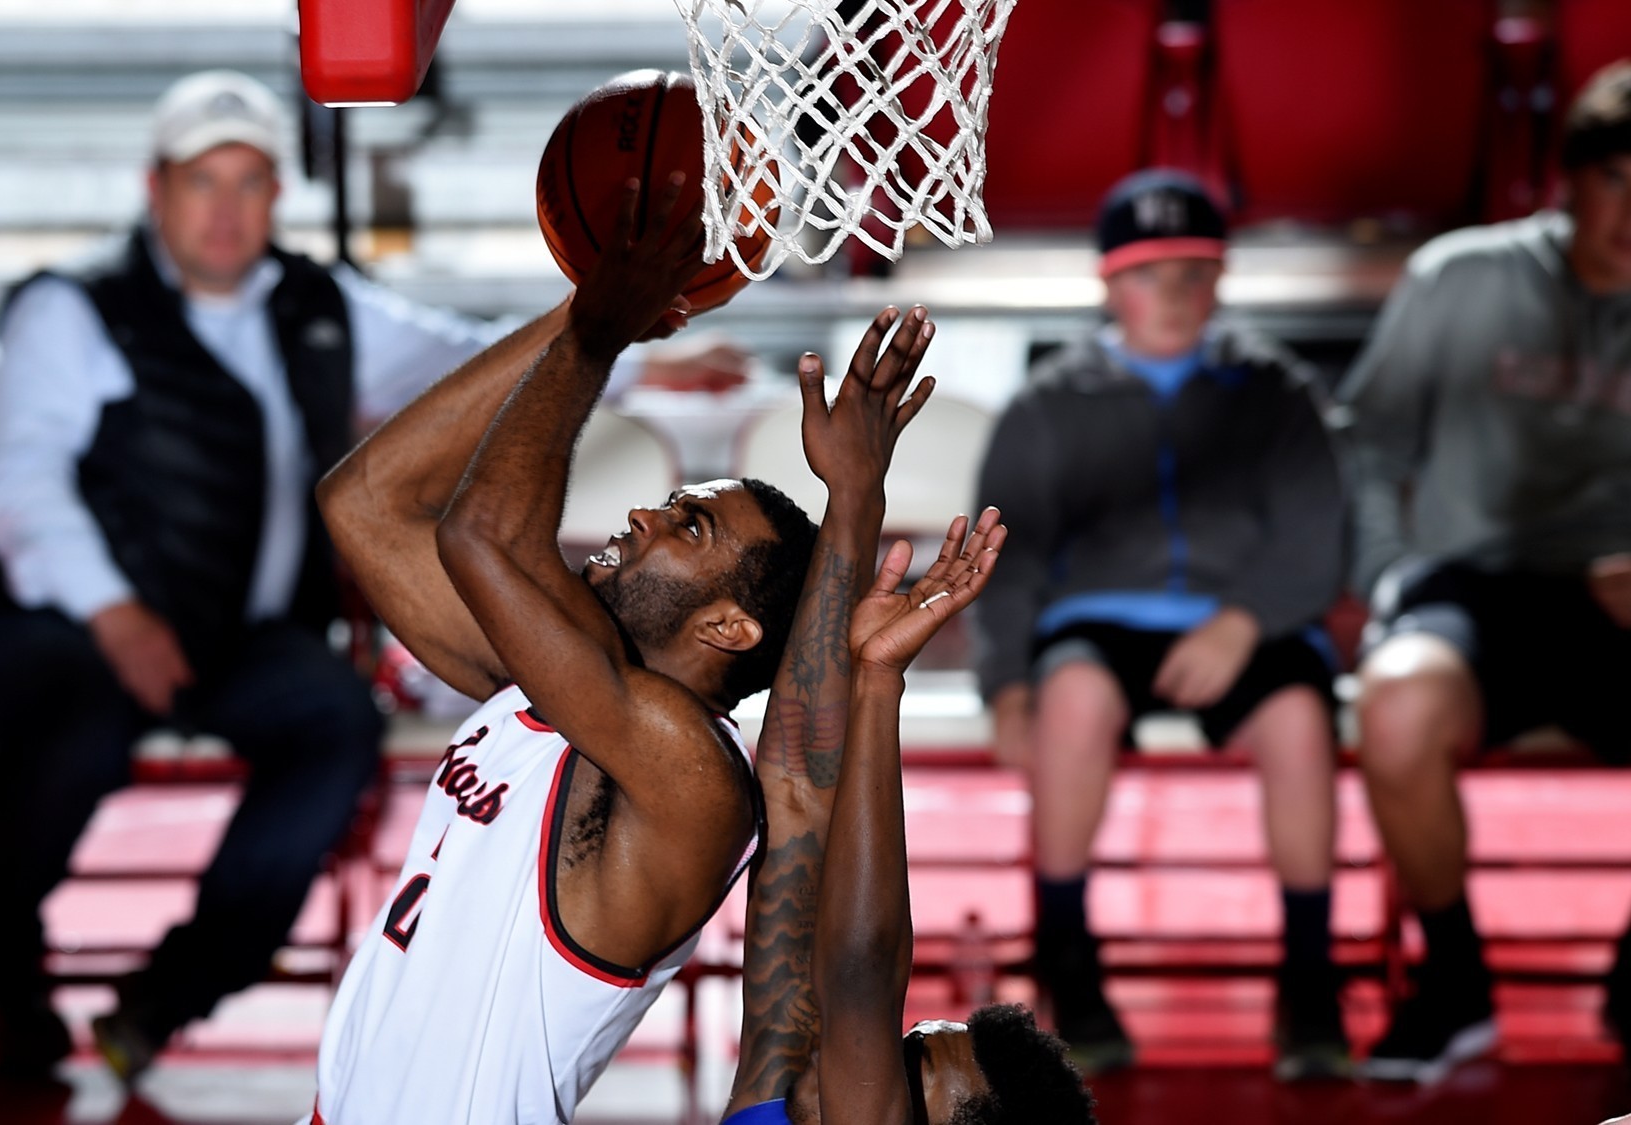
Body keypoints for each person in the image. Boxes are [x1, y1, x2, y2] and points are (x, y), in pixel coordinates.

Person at [0, 69, 739, 1086]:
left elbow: (456, 366)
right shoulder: (72, 308)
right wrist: (114, 613)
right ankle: (1, 956)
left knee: (335, 723)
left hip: (239, 639)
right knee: (75, 719)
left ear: (278, 194)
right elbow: (22, 488)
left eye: (250, 182)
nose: (227, 208)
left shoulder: (312, 304)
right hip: (72, 627)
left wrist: (626, 338)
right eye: (203, 180)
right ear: (156, 189)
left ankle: (170, 993)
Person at [311, 175, 823, 1123]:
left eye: (690, 526)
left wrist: (599, 332)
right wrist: (590, 308)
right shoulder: (537, 683)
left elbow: (481, 536)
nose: (645, 515)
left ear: (728, 627)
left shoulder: (690, 775)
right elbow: (366, 502)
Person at [971, 169, 1349, 1078]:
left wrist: (1244, 620)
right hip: (1099, 620)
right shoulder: (1049, 401)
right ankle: (1069, 959)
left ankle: (1310, 974)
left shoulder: (1275, 390)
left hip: (1248, 622)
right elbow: (1008, 557)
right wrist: (1008, 685)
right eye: (1149, 274)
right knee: (1071, 699)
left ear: (1221, 279)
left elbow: (1318, 532)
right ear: (1109, 282)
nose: (1173, 295)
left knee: (1300, 719)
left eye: (1193, 273)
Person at [717, 322, 1092, 1124]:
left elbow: (859, 972)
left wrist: (883, 683)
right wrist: (854, 496)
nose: (863, 1046)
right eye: (901, 1042)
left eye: (902, 1063)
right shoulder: (788, 1094)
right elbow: (795, 790)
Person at [1338, 60, 1631, 1085]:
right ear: (1570, 180)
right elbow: (1367, 442)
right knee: (1395, 705)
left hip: (1615, 602)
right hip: (1467, 593)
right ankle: (1454, 979)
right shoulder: (1460, 276)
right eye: (1617, 181)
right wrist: (1388, 578)